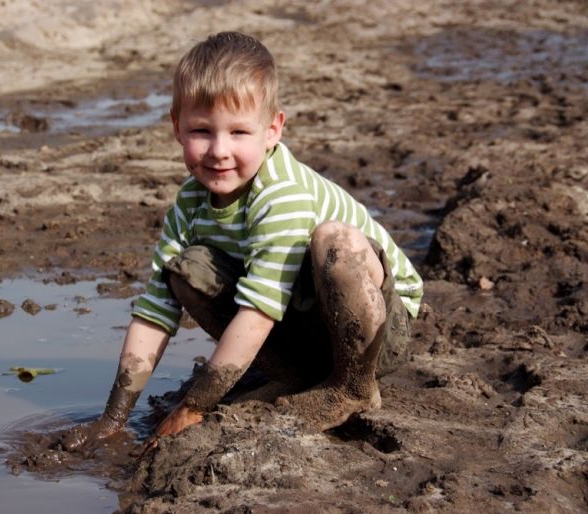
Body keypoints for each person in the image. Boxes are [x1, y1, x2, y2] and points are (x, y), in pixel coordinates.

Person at [60, 31, 423, 451]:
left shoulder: (280, 195)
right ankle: (292, 374)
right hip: (305, 322)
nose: (219, 150)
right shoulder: (189, 204)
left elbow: (258, 310)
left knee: (336, 243)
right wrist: (113, 418)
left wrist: (195, 406)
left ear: (272, 130)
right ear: (177, 128)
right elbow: (155, 312)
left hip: (377, 330)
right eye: (201, 130)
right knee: (187, 269)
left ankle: (352, 387)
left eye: (238, 132)